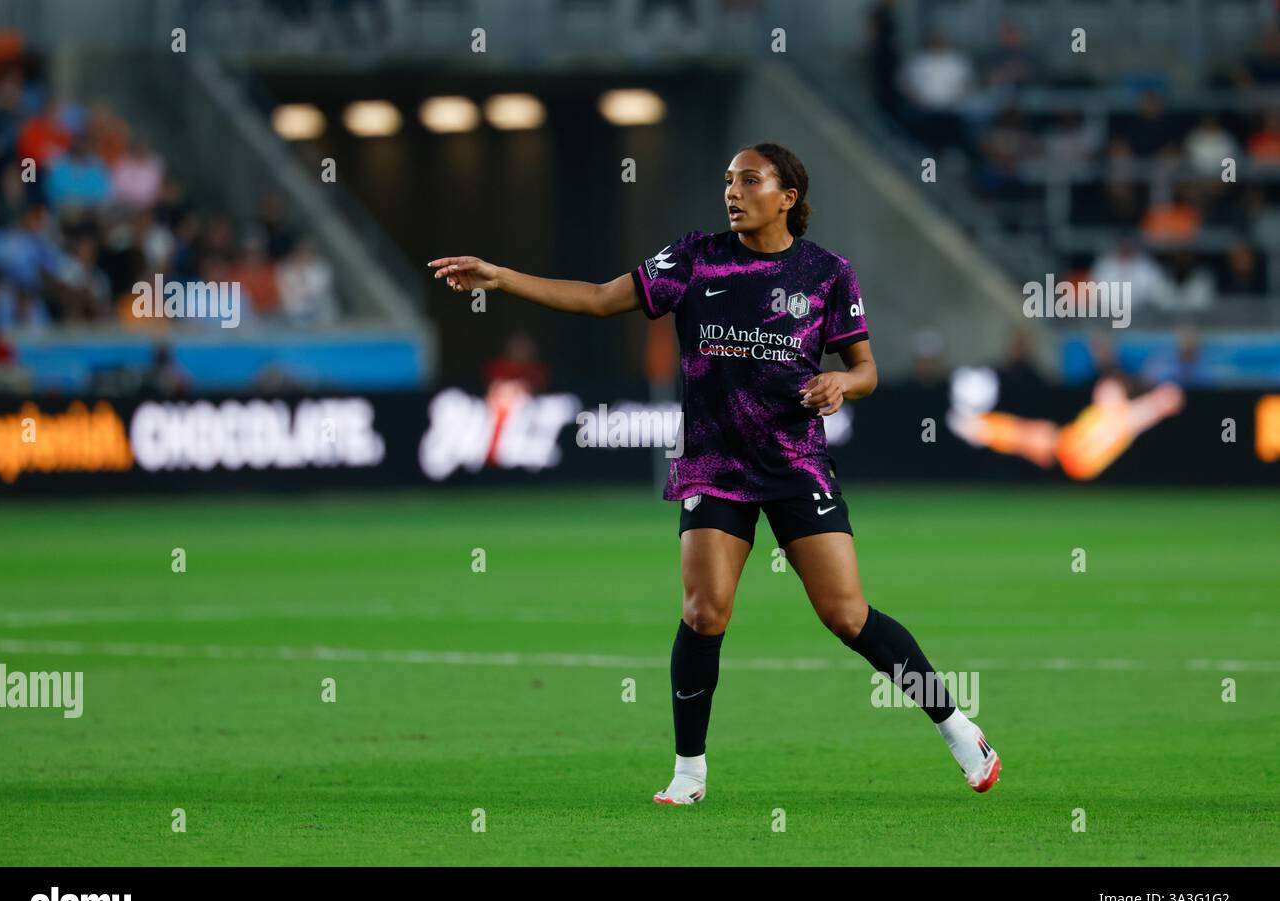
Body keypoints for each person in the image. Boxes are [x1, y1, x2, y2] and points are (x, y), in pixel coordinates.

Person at [428, 143, 1001, 805]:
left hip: (794, 462)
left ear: (787, 196)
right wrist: (502, 278)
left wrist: (843, 382)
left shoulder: (827, 272)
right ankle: (689, 772)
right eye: (728, 180)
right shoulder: (694, 257)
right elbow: (597, 297)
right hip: (713, 461)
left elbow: (866, 368)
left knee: (846, 615)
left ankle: (959, 728)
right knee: (704, 612)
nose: (733, 192)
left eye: (749, 180)